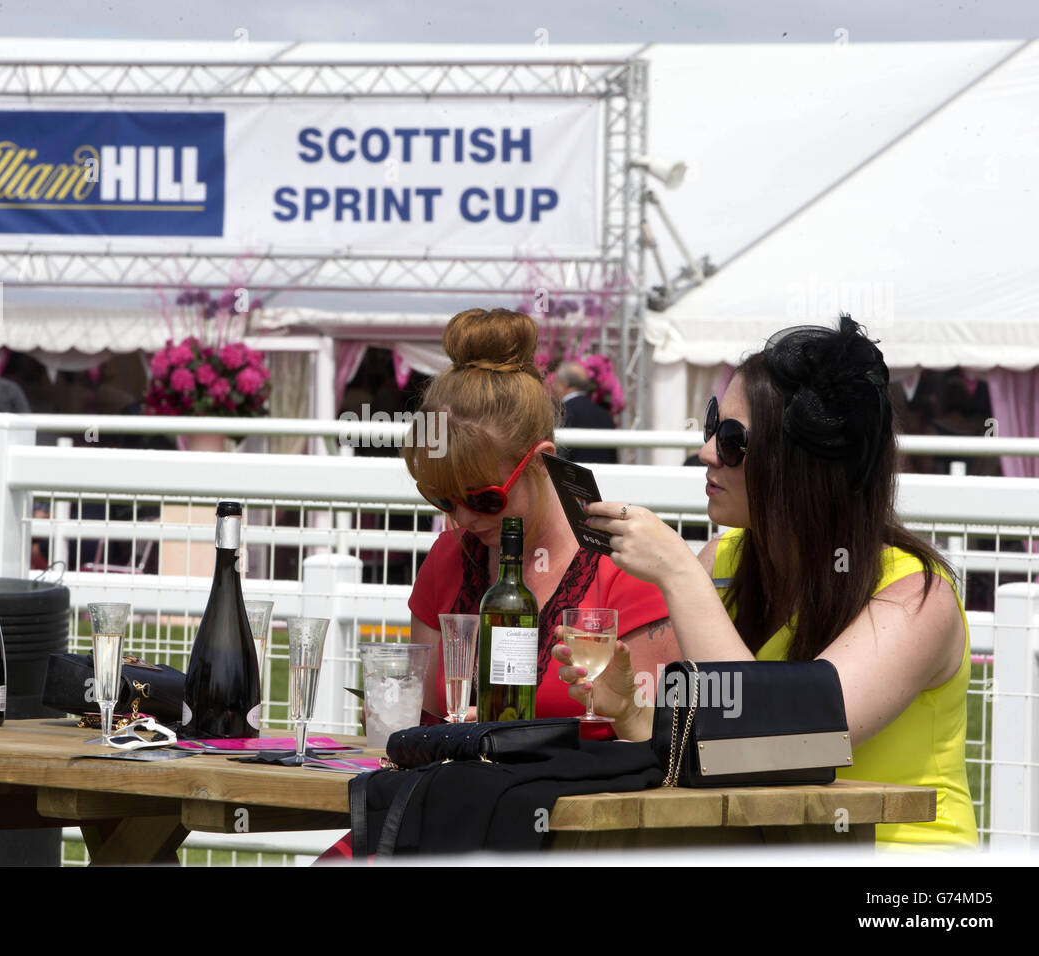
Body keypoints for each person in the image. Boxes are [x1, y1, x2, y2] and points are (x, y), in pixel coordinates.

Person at [557, 314, 977, 849]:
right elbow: (705, 752)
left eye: (732, 439)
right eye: (713, 424)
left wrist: (678, 574)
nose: (707, 450)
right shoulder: (726, 560)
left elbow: (780, 742)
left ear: (802, 466)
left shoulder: (916, 597)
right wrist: (630, 711)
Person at [404, 308, 678, 724]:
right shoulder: (447, 557)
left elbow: (661, 737)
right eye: (443, 498)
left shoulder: (625, 566)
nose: (462, 518)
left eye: (483, 499)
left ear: (541, 461)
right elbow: (418, 722)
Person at [553, 361, 618, 464]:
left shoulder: (560, 413)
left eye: (556, 382)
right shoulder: (605, 415)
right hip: (602, 478)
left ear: (564, 385)